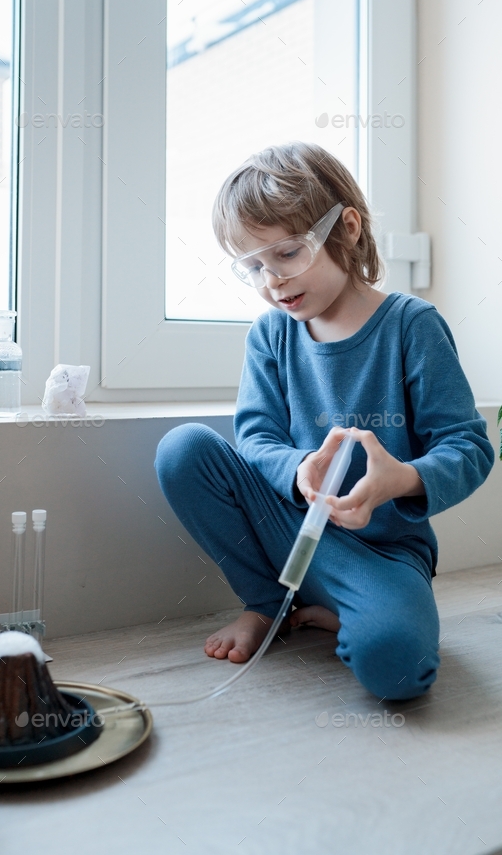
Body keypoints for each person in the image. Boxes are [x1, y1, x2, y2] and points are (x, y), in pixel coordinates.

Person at [154, 142, 494, 700]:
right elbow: (256, 436)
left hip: (380, 552)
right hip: (289, 533)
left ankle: (345, 606)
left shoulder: (412, 327)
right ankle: (269, 604)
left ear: (348, 229)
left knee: (399, 671)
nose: (273, 281)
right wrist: (298, 469)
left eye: (287, 254)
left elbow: (468, 446)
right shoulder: (270, 334)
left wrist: (402, 480)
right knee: (183, 449)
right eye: (255, 267)